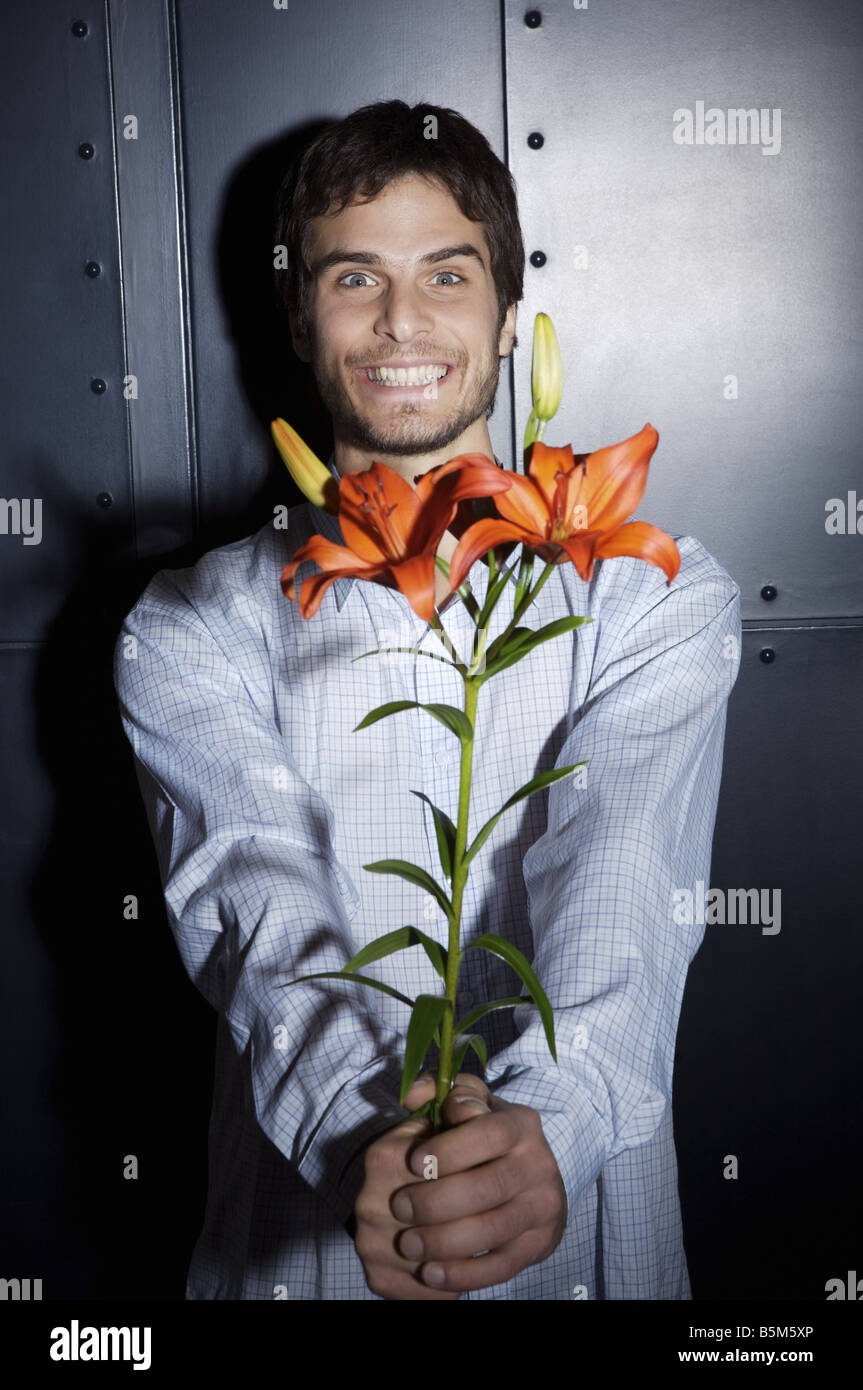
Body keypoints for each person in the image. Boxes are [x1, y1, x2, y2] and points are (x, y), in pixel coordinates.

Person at [113, 100, 741, 1300]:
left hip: (582, 1228)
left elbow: (622, 887)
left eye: (446, 274)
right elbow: (255, 906)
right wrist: (373, 1136)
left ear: (510, 323)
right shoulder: (194, 622)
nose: (402, 321)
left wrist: (548, 1125)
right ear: (301, 320)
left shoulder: (645, 594)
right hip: (310, 1242)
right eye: (356, 277)